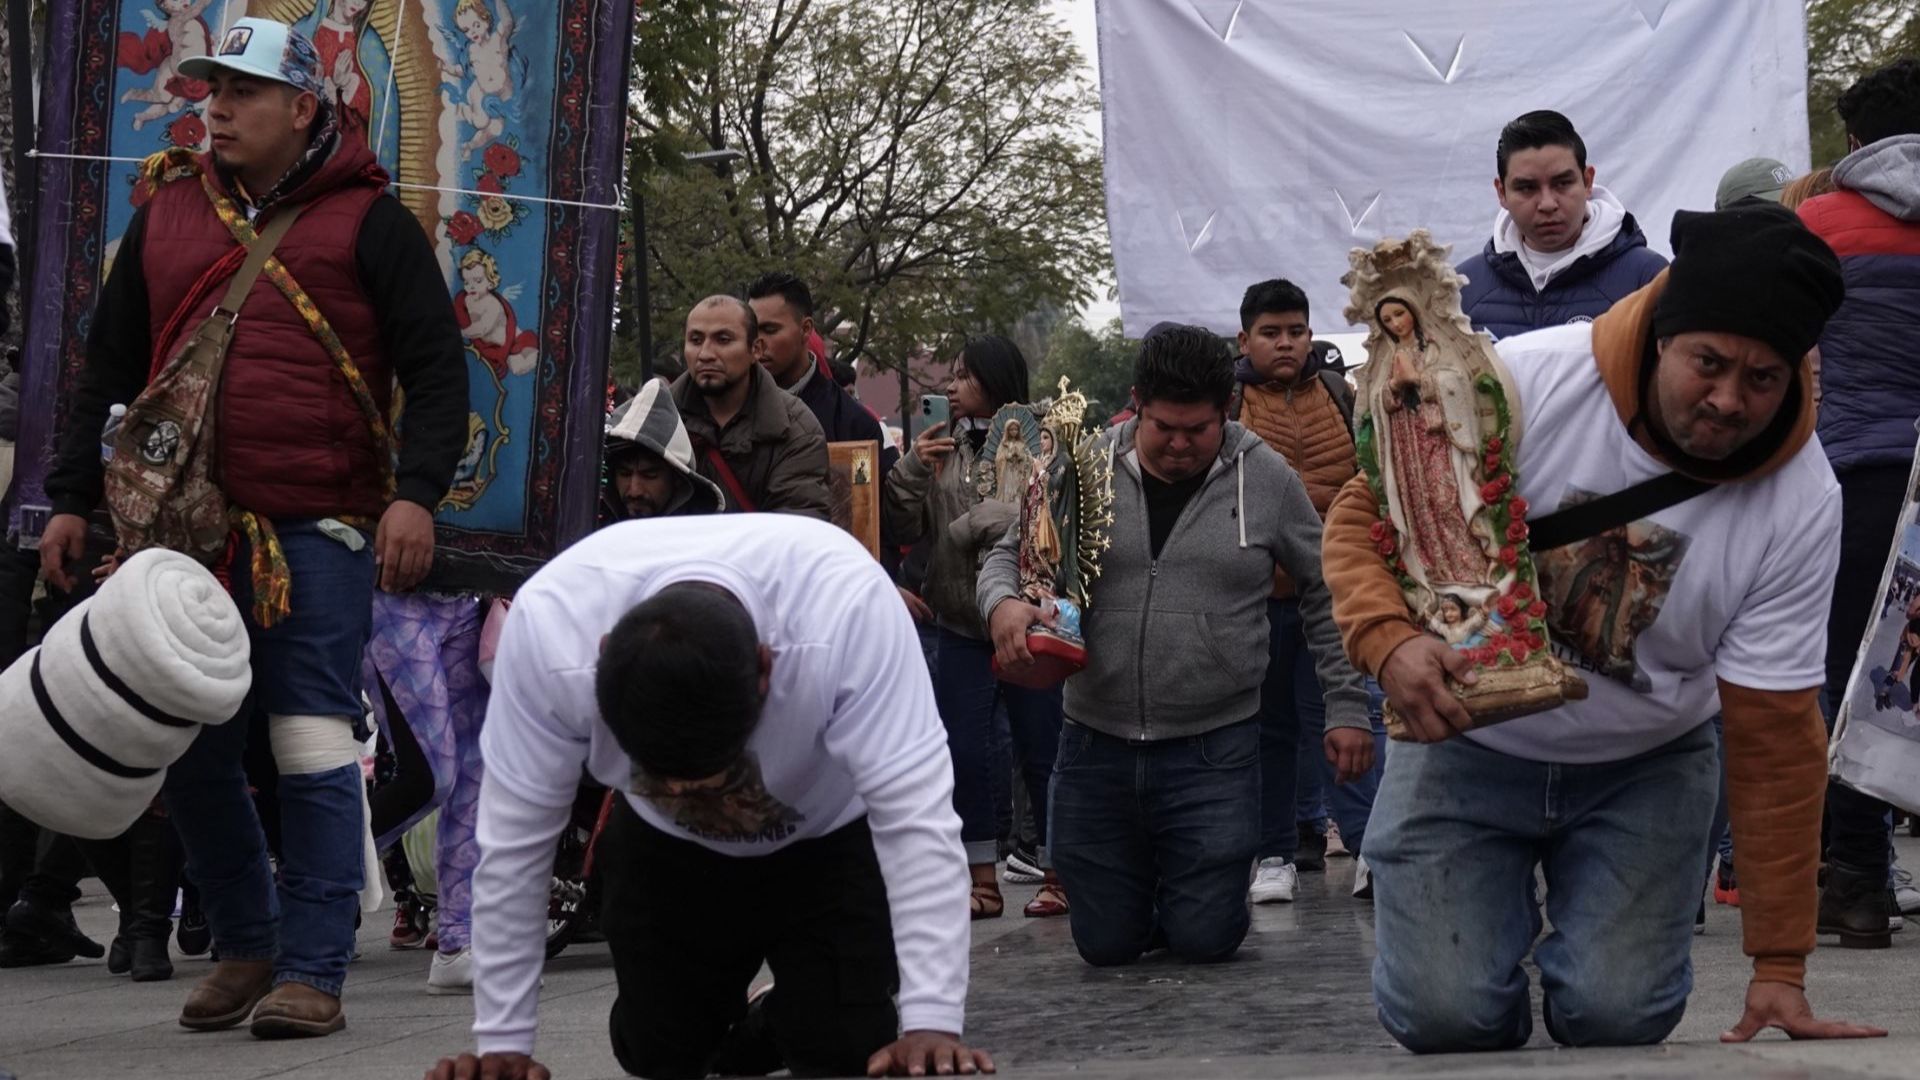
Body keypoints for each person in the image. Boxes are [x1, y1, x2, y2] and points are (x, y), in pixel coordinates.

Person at [1322, 201, 1884, 1051]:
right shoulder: (1531, 378)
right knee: (1446, 1018)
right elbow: (1367, 509)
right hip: (1470, 745)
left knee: (1616, 1017)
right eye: (1710, 363)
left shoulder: (1802, 501)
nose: (1730, 401)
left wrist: (1779, 966)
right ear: (1663, 332)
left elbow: (1775, 738)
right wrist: (1387, 641)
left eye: (1764, 379)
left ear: (1799, 373)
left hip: (1646, 766)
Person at [39, 18, 467, 1038]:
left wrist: (415, 492)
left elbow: (440, 373)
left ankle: (316, 968)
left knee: (312, 736)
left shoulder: (374, 225)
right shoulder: (166, 215)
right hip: (179, 529)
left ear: (303, 107)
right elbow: (109, 368)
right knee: (185, 741)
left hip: (319, 526)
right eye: (208, 90)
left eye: (241, 91)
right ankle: (245, 939)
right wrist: (68, 497)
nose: (215, 108)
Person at [425, 516, 994, 1080]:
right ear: (601, 656)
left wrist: (933, 1023)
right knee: (658, 1048)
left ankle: (784, 1016)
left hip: (826, 837)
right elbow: (514, 845)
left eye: (710, 776)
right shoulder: (550, 630)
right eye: (666, 776)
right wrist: (504, 1042)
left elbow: (918, 820)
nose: (694, 795)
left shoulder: (847, 610)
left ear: (767, 667)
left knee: (841, 1046)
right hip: (665, 847)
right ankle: (735, 1015)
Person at [981, 325, 1369, 967]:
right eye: (1166, 427)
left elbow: (1326, 590)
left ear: (1225, 411)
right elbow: (1006, 556)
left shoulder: (1267, 477)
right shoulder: (1083, 471)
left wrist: (1347, 707)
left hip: (1214, 747)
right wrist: (1002, 606)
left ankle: (1199, 896)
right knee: (1105, 946)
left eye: (1200, 429)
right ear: (1137, 404)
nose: (1182, 446)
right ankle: (1154, 894)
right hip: (1093, 741)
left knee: (1205, 940)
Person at [1798, 57, 1920, 944]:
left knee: (1854, 675)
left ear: (1854, 139)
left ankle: (1858, 886)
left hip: (1859, 472)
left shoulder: (1816, 225)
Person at [884, 336, 1066, 920]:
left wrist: (972, 525)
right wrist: (913, 468)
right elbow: (900, 522)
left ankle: (1059, 872)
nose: (951, 388)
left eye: (963, 377)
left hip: (1030, 620)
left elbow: (1046, 520)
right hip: (959, 619)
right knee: (964, 751)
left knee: (1043, 748)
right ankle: (980, 881)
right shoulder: (942, 447)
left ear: (994, 380)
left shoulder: (1046, 442)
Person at [1228, 279, 1382, 903]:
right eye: (1270, 333)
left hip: (1339, 594)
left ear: (1311, 335)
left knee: (1349, 719)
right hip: (1257, 597)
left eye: (1295, 331)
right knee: (1269, 729)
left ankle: (1372, 848)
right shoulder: (1229, 402)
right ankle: (1273, 854)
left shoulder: (1344, 396)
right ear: (1245, 340)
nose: (1285, 343)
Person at [1456, 110, 1667, 339]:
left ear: (1587, 182)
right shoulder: (1462, 289)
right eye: (1527, 187)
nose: (1547, 204)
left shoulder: (1648, 278)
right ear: (1501, 192)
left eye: (1562, 183)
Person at [747, 271, 900, 570]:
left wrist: (885, 581)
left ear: (805, 330)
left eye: (770, 329)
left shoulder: (854, 424)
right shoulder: (726, 411)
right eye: (752, 332)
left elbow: (878, 528)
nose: (758, 344)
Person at [669, 295, 830, 519]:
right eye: (695, 340)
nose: (705, 354)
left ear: (756, 349)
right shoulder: (657, 419)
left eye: (723, 340)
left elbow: (796, 528)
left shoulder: (796, 429)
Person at [600, 378, 726, 523]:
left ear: (678, 479)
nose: (634, 491)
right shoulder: (593, 532)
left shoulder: (702, 540)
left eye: (650, 475)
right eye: (624, 474)